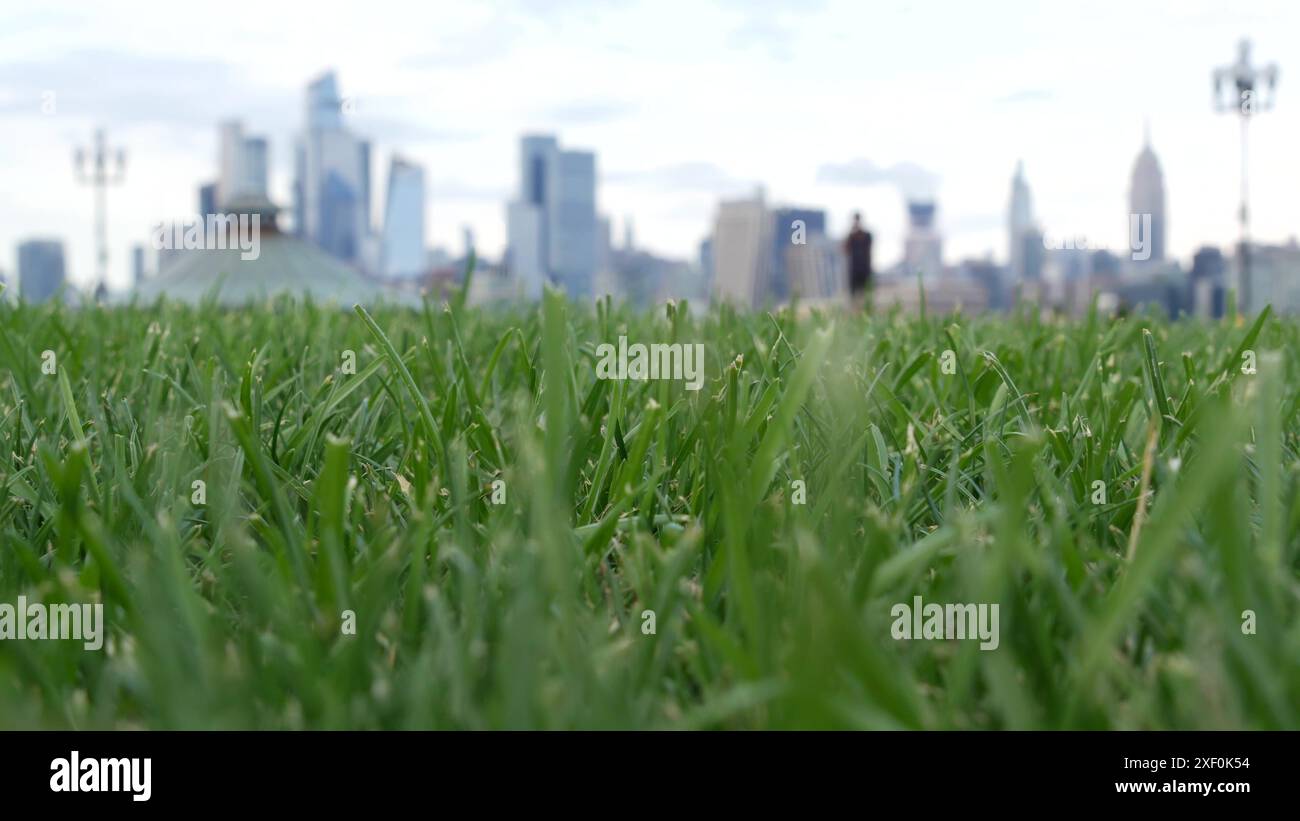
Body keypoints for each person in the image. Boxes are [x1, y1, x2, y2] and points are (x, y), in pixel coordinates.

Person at [845, 212, 873, 310]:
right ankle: (855, 310)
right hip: (854, 269)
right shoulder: (851, 236)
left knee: (866, 293)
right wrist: (851, 232)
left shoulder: (867, 235)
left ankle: (866, 310)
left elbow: (869, 249)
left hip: (865, 268)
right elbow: (845, 249)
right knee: (854, 294)